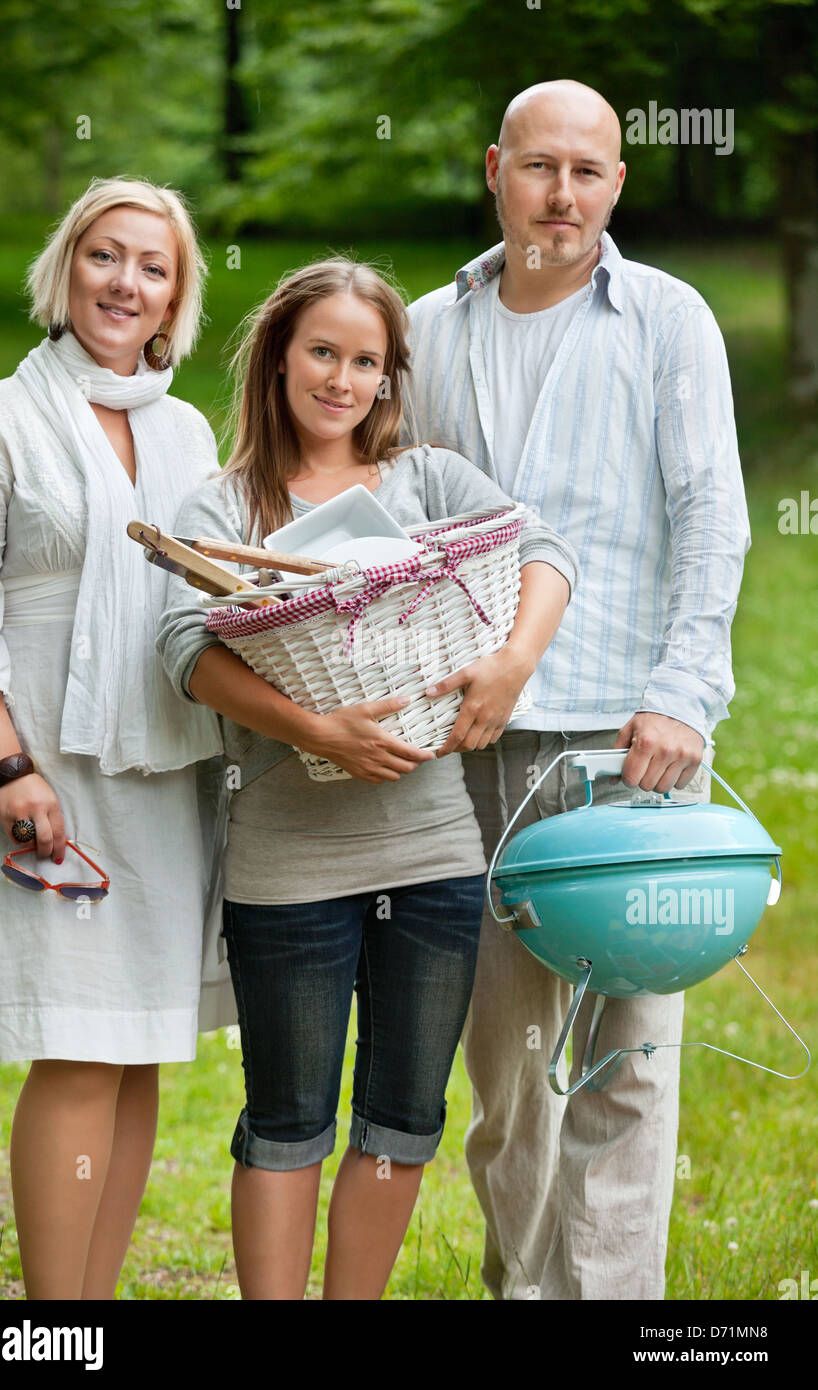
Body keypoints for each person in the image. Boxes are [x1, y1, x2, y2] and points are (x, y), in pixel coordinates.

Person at [156, 257, 580, 1300]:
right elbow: (179, 647)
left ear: (390, 377)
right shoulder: (221, 504)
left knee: (400, 1114)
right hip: (286, 863)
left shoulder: (428, 481)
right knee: (286, 1119)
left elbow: (545, 547)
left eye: (367, 362)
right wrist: (315, 727)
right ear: (278, 356)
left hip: (432, 854)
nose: (342, 379)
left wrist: (510, 660)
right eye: (321, 352)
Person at [402, 79, 751, 1300]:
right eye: (539, 167)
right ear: (493, 166)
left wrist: (680, 696)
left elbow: (711, 516)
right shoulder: (423, 329)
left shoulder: (665, 318)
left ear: (616, 184)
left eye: (587, 173)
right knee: (503, 1078)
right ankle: (522, 1288)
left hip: (626, 739)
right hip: (467, 741)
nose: (561, 196)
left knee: (625, 1061)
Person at [0, 176, 235, 1300]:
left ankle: (92, 1319)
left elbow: (212, 599)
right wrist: (3, 762)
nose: (126, 282)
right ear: (66, 270)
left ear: (176, 298)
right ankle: (50, 1326)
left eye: (152, 267)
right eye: (105, 256)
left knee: (137, 1045)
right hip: (43, 765)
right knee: (76, 1045)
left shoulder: (187, 431)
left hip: (169, 769)